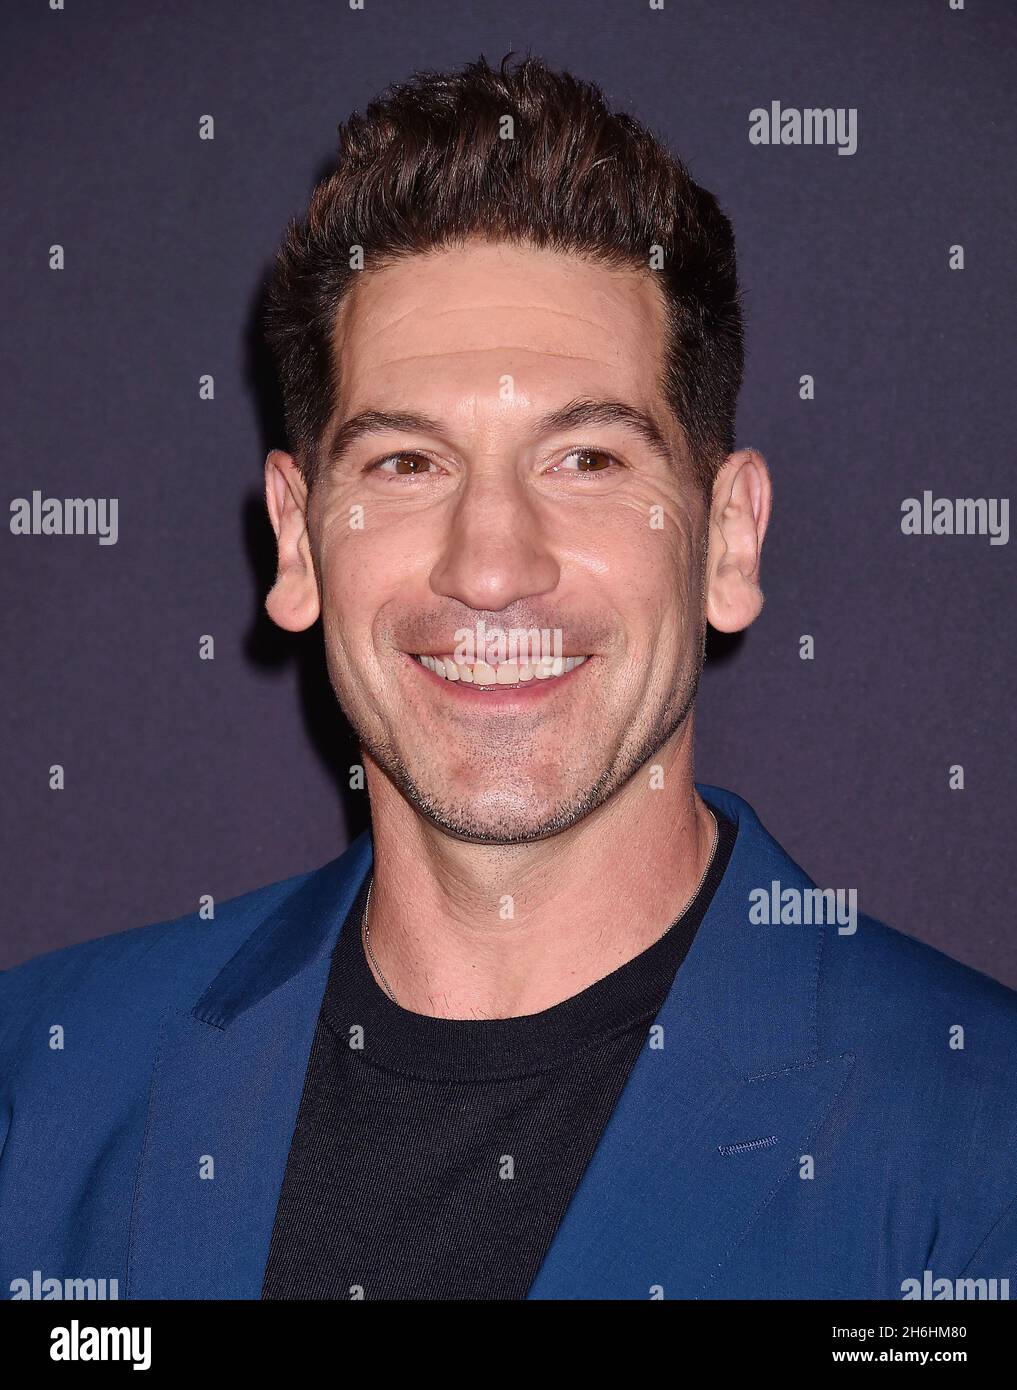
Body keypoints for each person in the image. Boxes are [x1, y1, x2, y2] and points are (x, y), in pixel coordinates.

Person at [2, 54, 1015, 1302]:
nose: (491, 567)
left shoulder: (981, 1145)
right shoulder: (37, 1086)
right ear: (300, 539)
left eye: (586, 459)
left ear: (730, 540)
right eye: (406, 464)